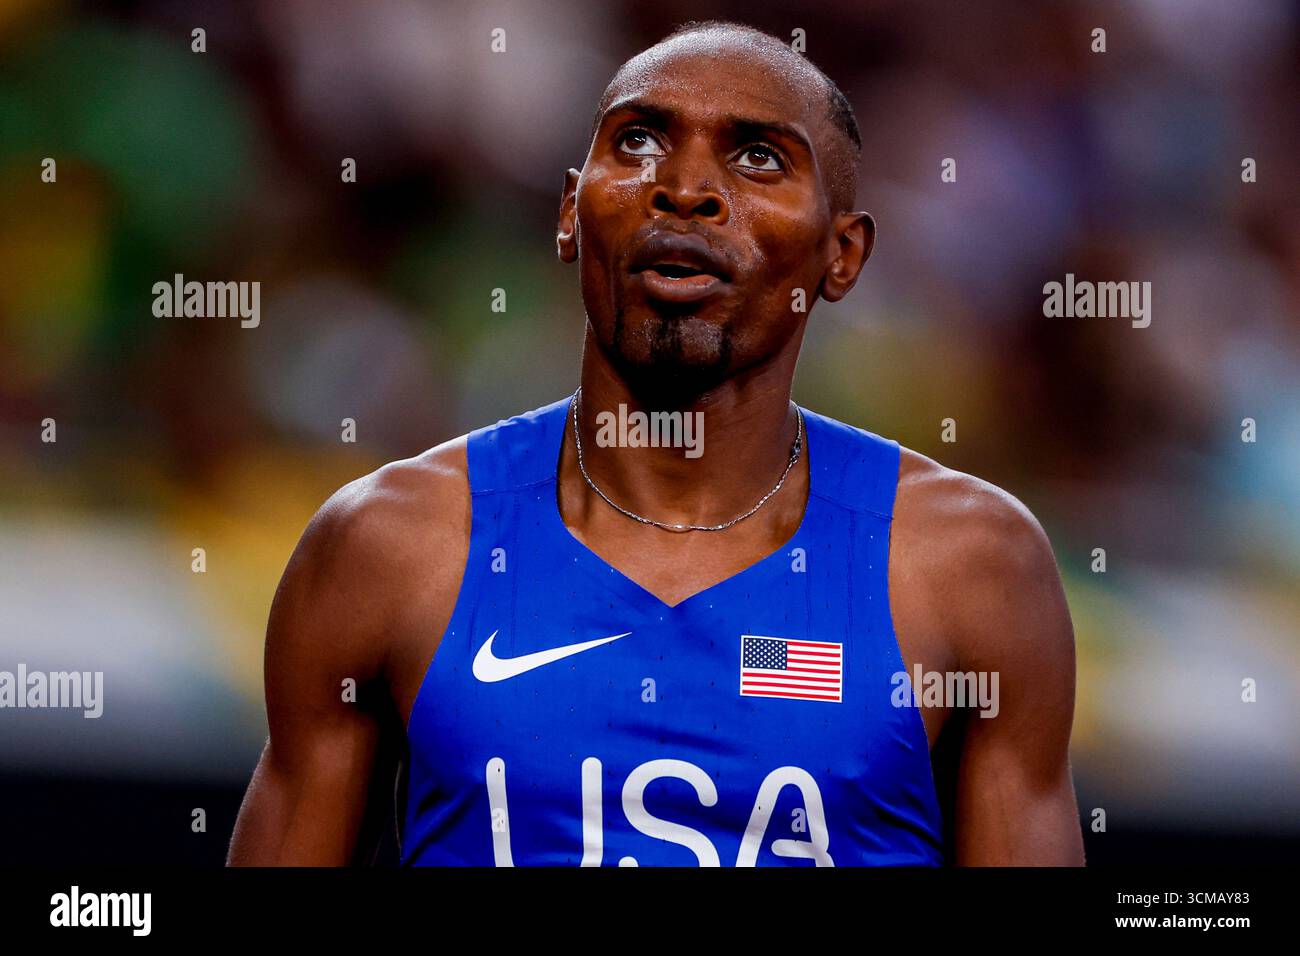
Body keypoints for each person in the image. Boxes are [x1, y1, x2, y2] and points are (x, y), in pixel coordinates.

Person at [228, 20, 1085, 866]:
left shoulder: (970, 565)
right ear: (570, 211)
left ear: (843, 253)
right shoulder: (387, 545)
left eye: (758, 156)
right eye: (638, 141)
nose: (685, 187)